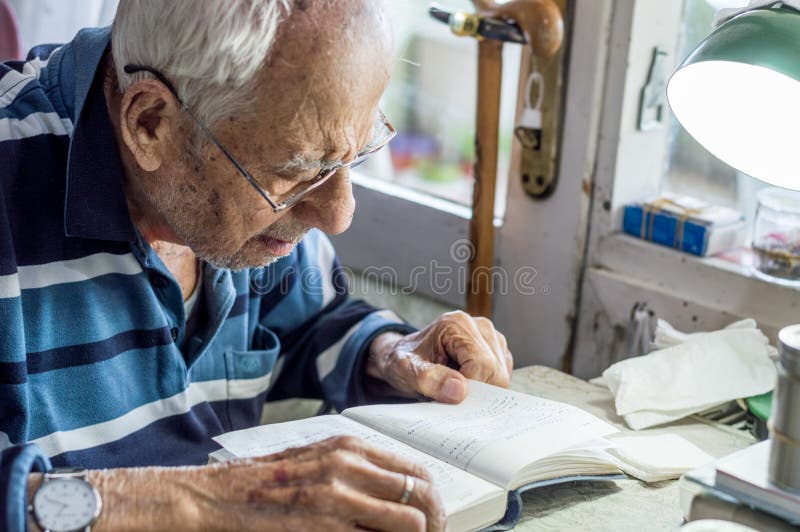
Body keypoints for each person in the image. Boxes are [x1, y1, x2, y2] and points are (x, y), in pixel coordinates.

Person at [0, 1, 514, 530]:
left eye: (353, 156)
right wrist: (199, 501)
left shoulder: (246, 184)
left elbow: (308, 324)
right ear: (149, 123)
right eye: (297, 172)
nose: (339, 215)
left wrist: (390, 354)